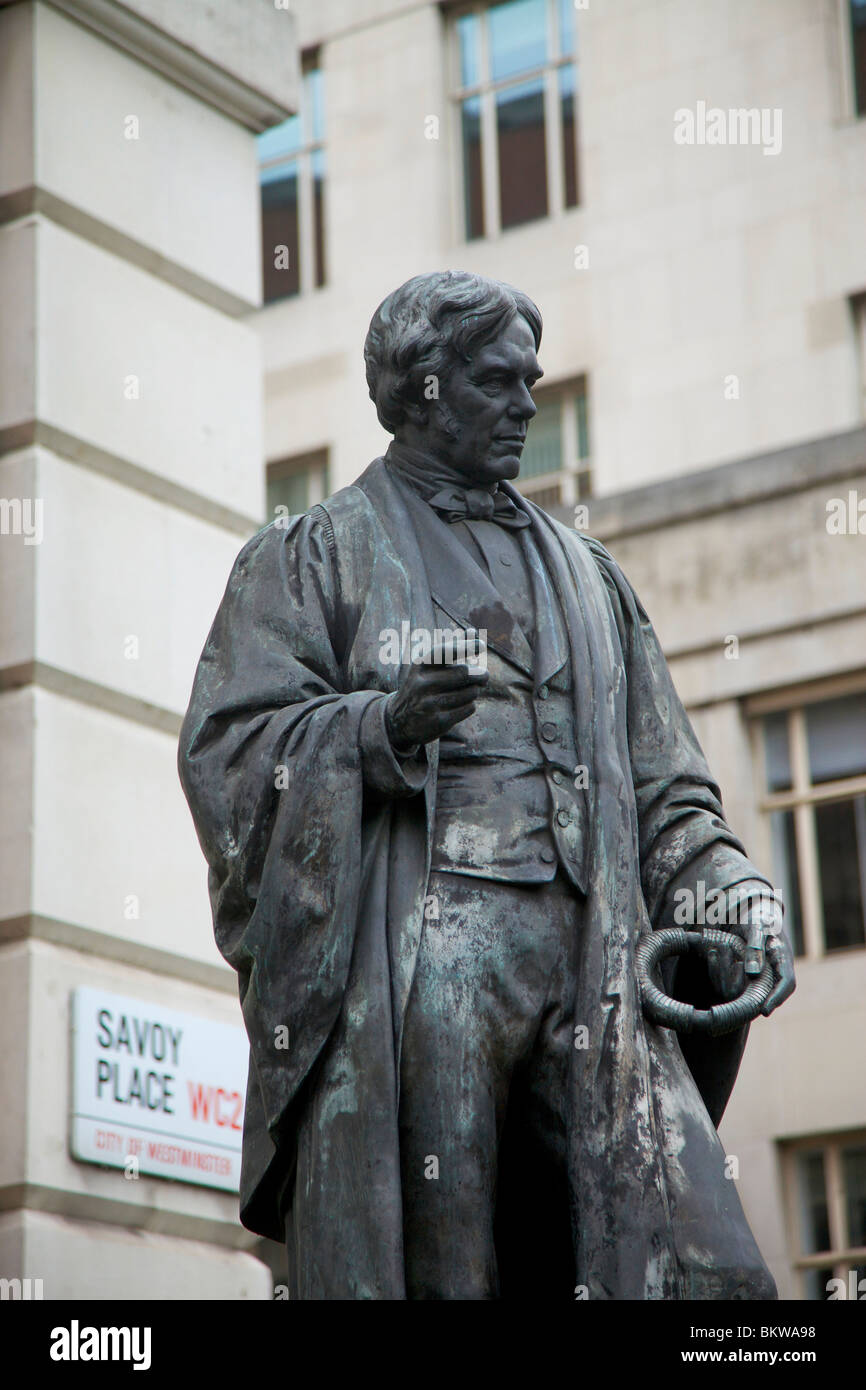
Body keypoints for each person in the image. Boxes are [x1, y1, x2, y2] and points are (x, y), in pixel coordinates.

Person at [178, 270, 795, 1300]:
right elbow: (233, 750)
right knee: (442, 1269)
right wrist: (374, 729)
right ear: (423, 387)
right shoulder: (314, 556)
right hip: (421, 968)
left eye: (531, 381)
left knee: (710, 1270)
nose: (526, 405)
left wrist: (726, 886)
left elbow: (670, 795)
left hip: (594, 954)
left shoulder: (589, 579)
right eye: (499, 383)